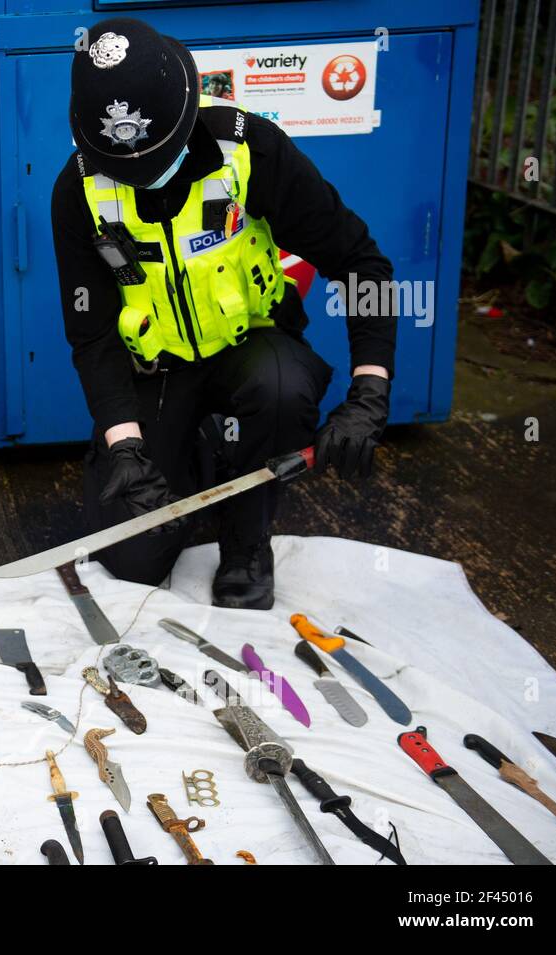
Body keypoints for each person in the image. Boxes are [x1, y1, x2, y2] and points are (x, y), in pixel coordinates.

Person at [52, 19, 395, 609]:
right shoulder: (78, 190)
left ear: (186, 115)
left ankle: (246, 542)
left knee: (283, 389)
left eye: (155, 157)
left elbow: (361, 262)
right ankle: (197, 452)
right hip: (157, 370)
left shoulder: (248, 149)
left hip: (250, 348)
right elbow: (92, 334)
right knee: (133, 562)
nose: (142, 177)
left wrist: (371, 390)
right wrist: (124, 444)